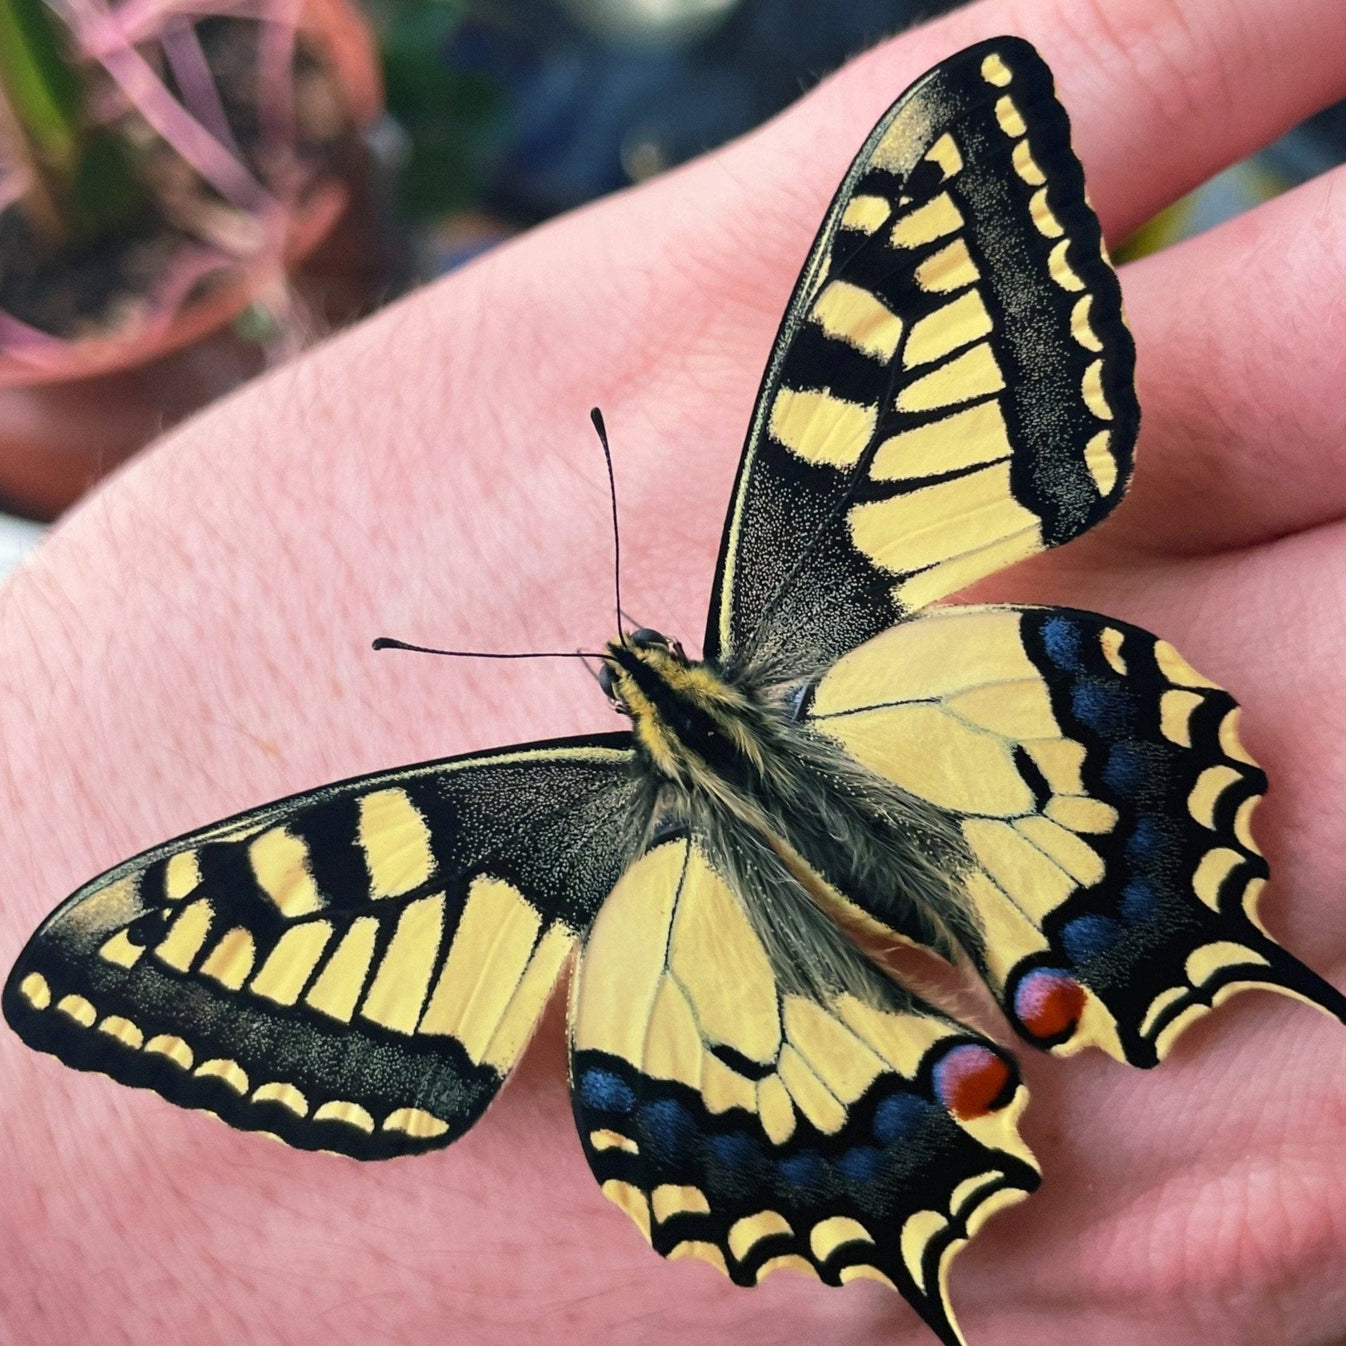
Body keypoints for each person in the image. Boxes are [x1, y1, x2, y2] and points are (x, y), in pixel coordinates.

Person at [2, 0, 1344, 1341]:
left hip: (715, 986)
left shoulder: (495, 829)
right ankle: (1077, 951)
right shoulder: (789, 568)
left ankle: (1029, 1011)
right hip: (962, 758)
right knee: (1030, 704)